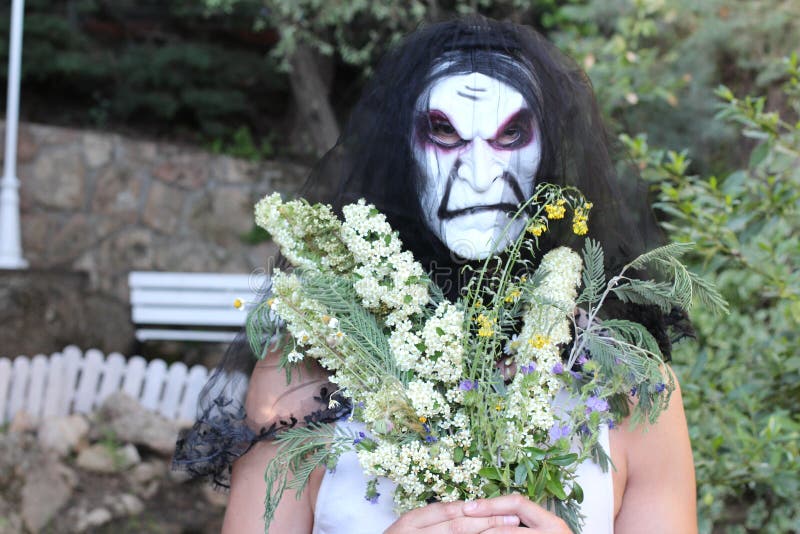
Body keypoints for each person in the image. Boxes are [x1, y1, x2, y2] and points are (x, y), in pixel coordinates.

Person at [174, 15, 697, 533]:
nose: (478, 173)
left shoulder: (631, 387)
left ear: (552, 159)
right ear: (400, 155)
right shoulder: (308, 373)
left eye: (510, 134)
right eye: (443, 132)